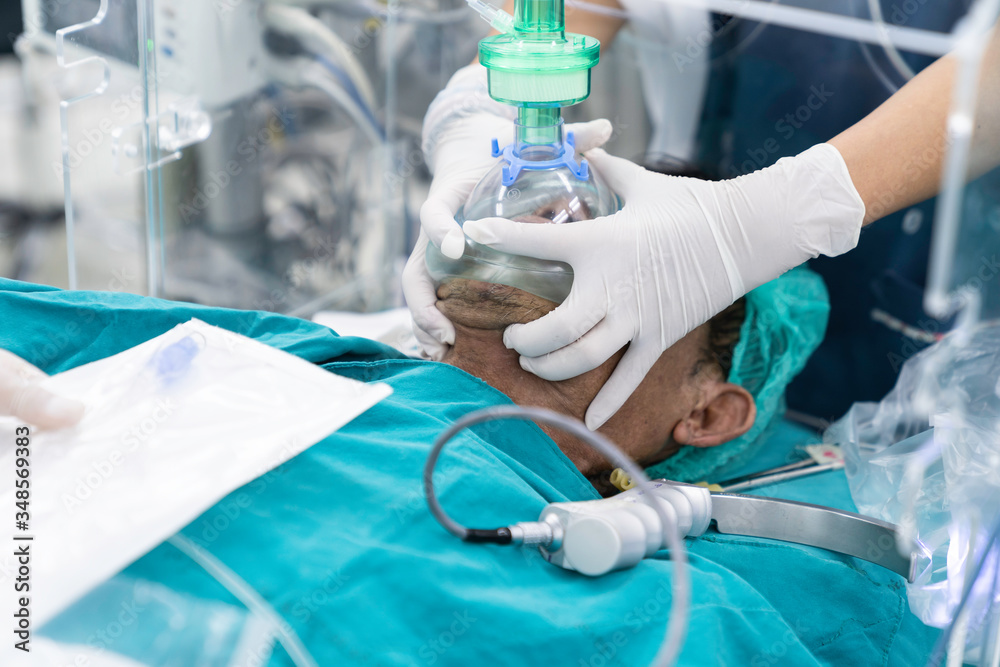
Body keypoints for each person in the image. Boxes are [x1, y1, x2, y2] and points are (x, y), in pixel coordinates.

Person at [1, 276, 936, 666]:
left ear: (705, 414)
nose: (557, 230)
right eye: (560, 211)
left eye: (634, 264)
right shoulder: (313, 351)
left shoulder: (680, 609)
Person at [405, 6, 1000, 430]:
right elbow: (554, 16)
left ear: (707, 415)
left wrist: (767, 220)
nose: (537, 232)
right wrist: (474, 113)